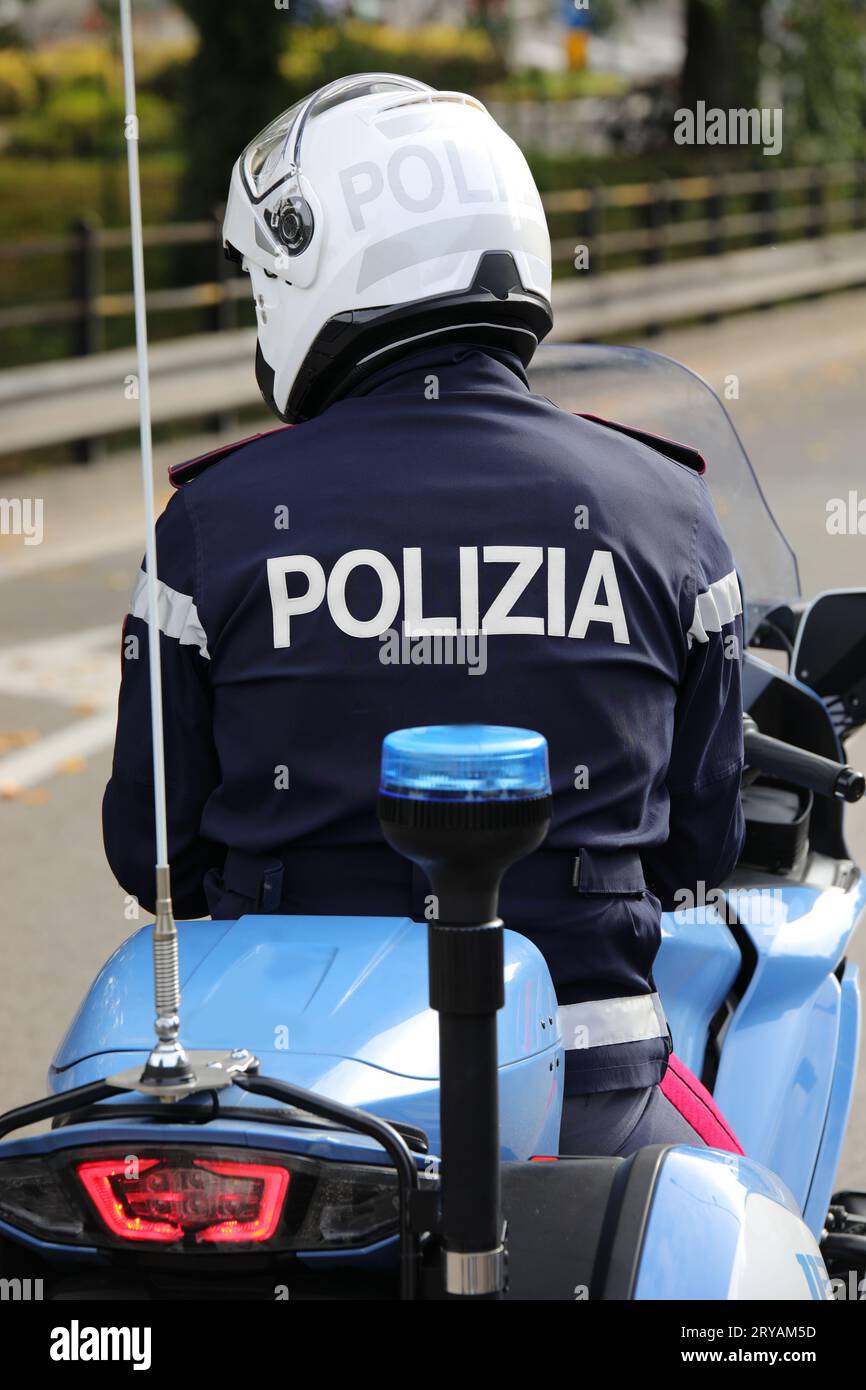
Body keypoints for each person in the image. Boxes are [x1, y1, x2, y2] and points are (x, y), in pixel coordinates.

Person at [103, 74, 745, 1157]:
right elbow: (699, 846)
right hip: (589, 1082)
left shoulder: (211, 523)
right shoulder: (667, 509)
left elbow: (147, 847)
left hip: (292, 1096)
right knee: (762, 1253)